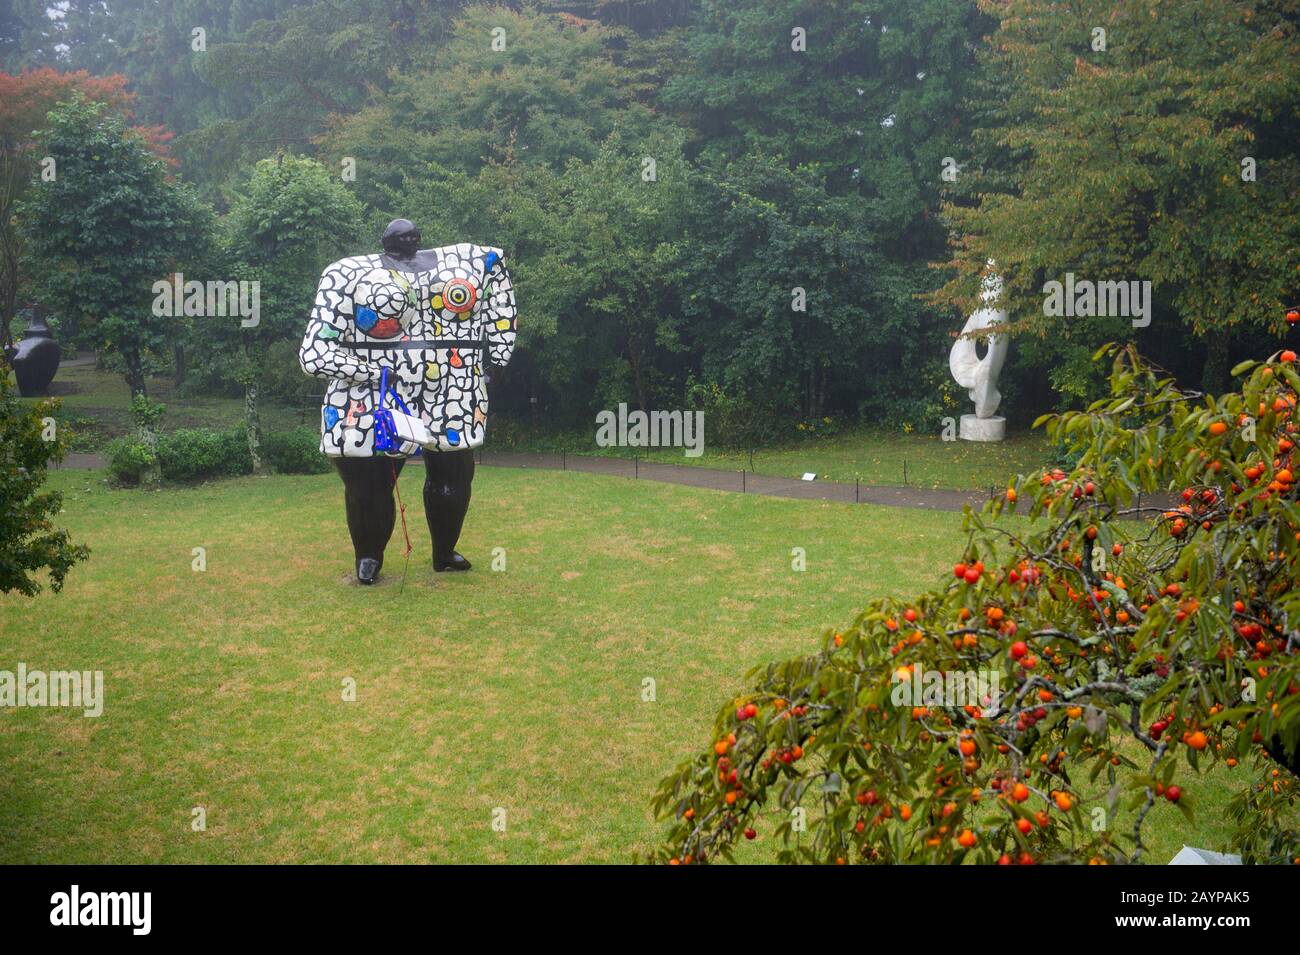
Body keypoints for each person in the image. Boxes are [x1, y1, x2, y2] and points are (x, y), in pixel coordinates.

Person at [299, 219, 517, 584]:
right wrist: (374, 373)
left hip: (452, 389)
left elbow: (501, 310)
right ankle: (368, 556)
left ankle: (444, 551)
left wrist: (498, 356)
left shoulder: (478, 262)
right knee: (368, 482)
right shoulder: (346, 274)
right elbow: (314, 352)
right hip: (375, 393)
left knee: (454, 474)